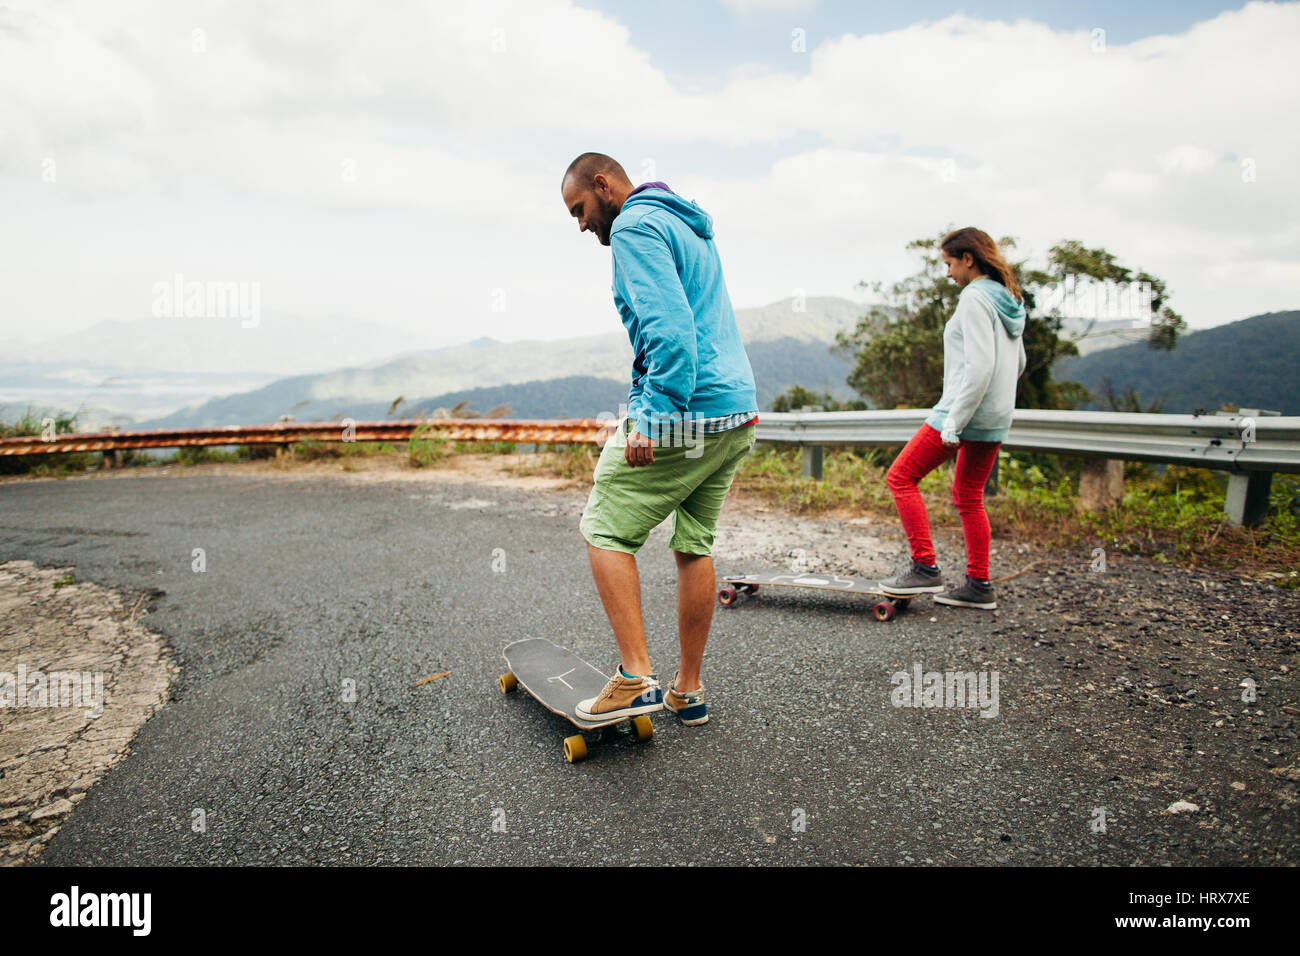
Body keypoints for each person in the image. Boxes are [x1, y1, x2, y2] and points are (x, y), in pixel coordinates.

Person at [559, 152, 758, 726]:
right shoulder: (684, 223)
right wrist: (738, 403)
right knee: (694, 543)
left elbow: (669, 331)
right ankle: (687, 690)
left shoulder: (635, 226)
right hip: (731, 412)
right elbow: (710, 318)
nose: (581, 225)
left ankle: (633, 677)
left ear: (603, 184)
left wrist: (653, 416)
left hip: (685, 412)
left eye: (579, 209)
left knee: (604, 528)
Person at [877, 227, 1027, 610]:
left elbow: (979, 368)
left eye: (949, 263)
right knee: (969, 496)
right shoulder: (1009, 299)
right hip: (994, 416)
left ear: (968, 259)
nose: (947, 273)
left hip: (963, 411)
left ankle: (925, 567)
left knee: (901, 476)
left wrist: (953, 422)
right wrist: (992, 404)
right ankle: (979, 584)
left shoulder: (975, 298)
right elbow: (1018, 363)